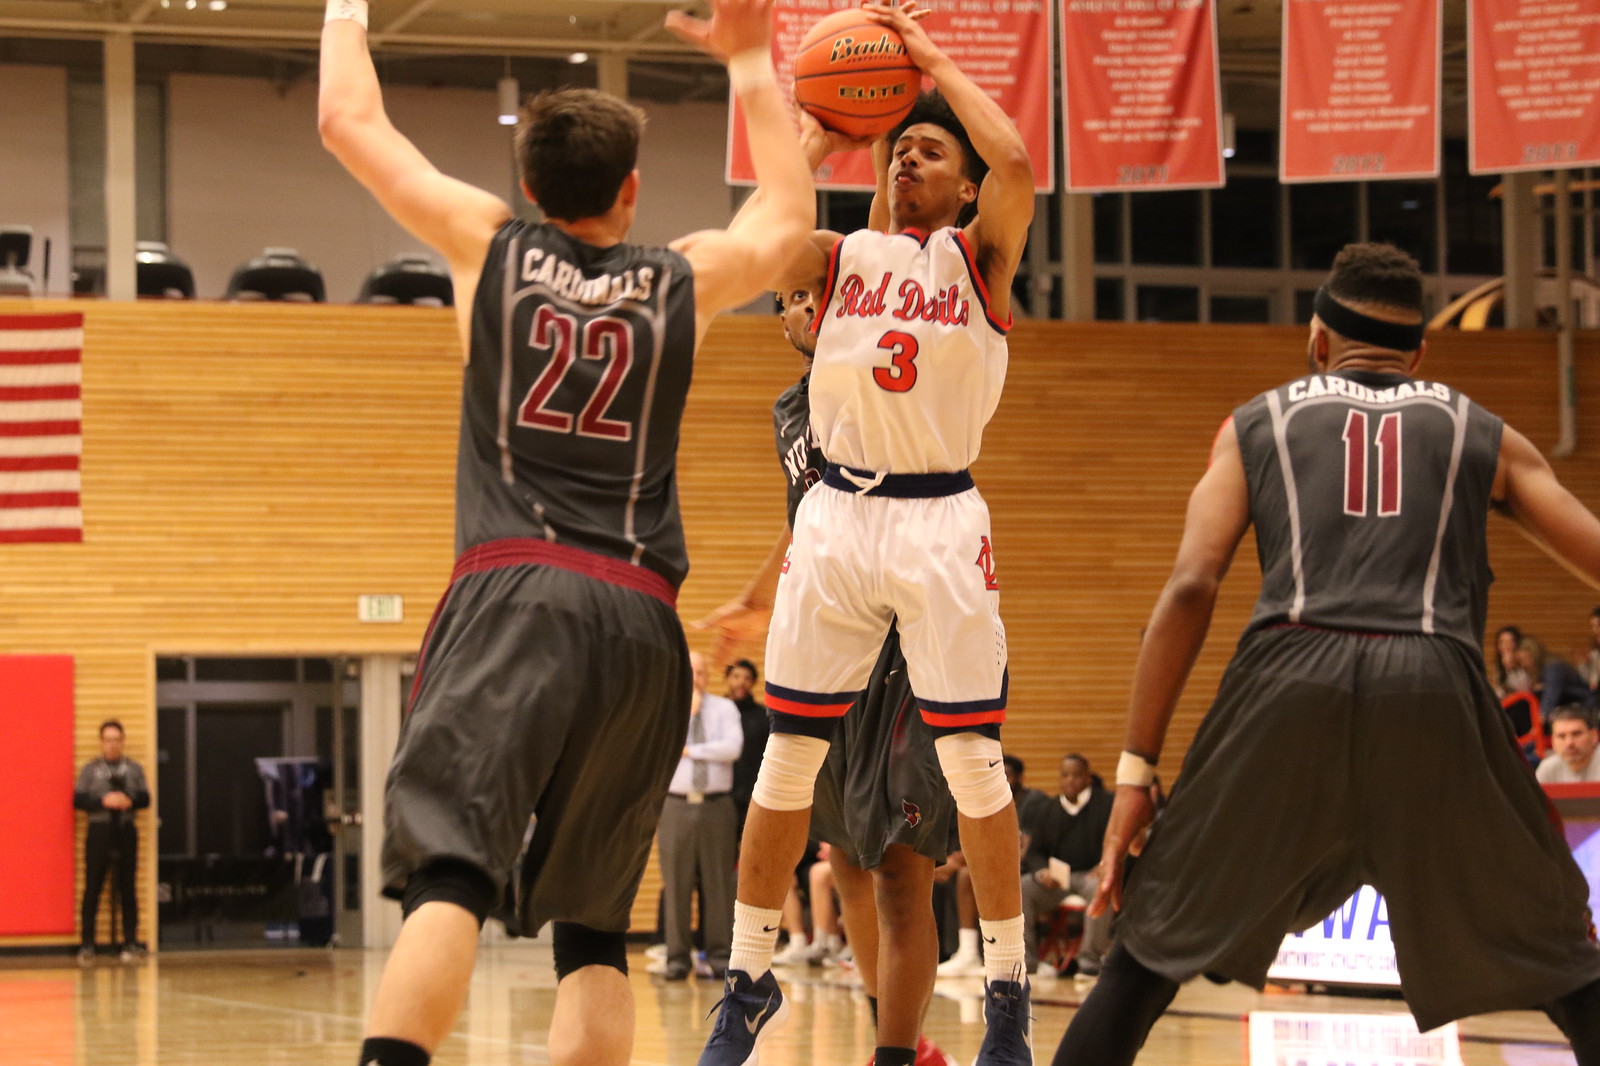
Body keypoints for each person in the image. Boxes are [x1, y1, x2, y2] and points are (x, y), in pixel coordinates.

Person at [317, 0, 813, 1062]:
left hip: (516, 591)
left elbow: (348, 123)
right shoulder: (683, 277)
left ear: (529, 186)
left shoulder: (487, 247)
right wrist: (746, 63)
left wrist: (345, 10)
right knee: (594, 928)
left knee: (453, 875)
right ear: (630, 190)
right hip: (642, 622)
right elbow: (784, 215)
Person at [1050, 243, 1600, 1066]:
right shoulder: (1479, 431)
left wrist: (1134, 773)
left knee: (1144, 959)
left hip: (1286, 682)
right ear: (1420, 354)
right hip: (1434, 687)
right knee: (1571, 973)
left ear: (1316, 340)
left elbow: (1190, 588)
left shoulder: (1255, 424)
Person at [696, 5, 1036, 1065]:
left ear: (964, 186)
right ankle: (747, 981)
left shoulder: (978, 258)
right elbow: (763, 239)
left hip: (939, 517)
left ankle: (1009, 995)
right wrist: (819, 131)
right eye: (896, 153)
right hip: (837, 519)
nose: (904, 167)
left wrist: (928, 65)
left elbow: (1019, 156)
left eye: (927, 153)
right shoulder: (835, 257)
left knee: (975, 764)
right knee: (785, 761)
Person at [702, 268, 960, 1065]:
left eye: (819, 291)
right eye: (790, 299)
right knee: (845, 856)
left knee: (901, 872)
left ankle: (895, 1053)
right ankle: (904, 1043)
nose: (806, 307)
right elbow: (806, 522)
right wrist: (752, 601)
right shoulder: (789, 410)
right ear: (780, 321)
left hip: (908, 646)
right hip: (828, 649)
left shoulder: (890, 374)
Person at [659, 651, 744, 980]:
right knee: (676, 883)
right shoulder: (666, 708)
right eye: (691, 672)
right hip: (675, 805)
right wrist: (687, 718)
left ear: (708, 677)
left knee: (718, 883)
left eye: (701, 673)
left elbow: (732, 748)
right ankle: (677, 958)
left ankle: (721, 955)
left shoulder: (724, 709)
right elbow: (663, 747)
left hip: (716, 806)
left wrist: (691, 750)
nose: (696, 679)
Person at [938, 753, 1049, 978]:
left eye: (1007, 775)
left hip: (1028, 866)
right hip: (988, 862)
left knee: (967, 875)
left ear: (1019, 777)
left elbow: (1029, 844)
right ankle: (966, 952)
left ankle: (1007, 956)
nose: (1003, 780)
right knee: (958, 877)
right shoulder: (981, 798)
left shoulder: (1035, 802)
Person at [1021, 754, 1113, 977]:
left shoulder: (1107, 804)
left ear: (1088, 778)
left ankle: (1089, 960)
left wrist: (1106, 864)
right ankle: (1026, 959)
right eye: (1065, 775)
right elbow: (1035, 852)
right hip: (1058, 878)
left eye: (1076, 775)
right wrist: (1042, 870)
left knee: (1101, 887)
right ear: (1059, 779)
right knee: (1022, 887)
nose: (1070, 780)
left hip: (1090, 875)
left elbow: (1121, 841)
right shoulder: (1048, 808)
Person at [73, 719, 150, 965]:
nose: (113, 744)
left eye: (117, 739)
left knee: (127, 887)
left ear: (123, 741)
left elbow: (145, 798)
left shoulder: (134, 769)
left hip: (126, 831)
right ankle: (87, 944)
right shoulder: (90, 769)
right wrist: (103, 802)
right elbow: (78, 800)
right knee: (93, 887)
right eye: (108, 740)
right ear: (101, 742)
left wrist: (129, 801)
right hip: (99, 831)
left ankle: (130, 941)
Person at [726, 659, 769, 837]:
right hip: (723, 795)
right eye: (736, 676)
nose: (741, 682)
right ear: (727, 679)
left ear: (753, 682)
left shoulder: (763, 716)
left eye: (747, 678)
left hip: (754, 793)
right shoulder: (718, 712)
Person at [1537, 706, 1600, 784]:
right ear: (1553, 740)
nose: (1569, 743)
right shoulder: (1547, 768)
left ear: (1594, 735)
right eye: (1561, 736)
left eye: (1576, 734)